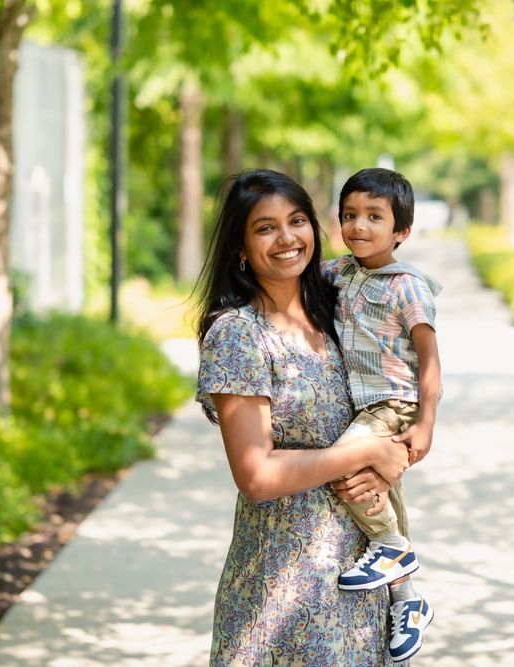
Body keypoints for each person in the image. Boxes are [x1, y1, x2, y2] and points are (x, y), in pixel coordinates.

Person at [195, 168, 412, 666]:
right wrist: (364, 454)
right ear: (240, 248)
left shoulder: (338, 313)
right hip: (282, 593)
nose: (287, 237)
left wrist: (394, 452)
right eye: (265, 227)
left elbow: (392, 402)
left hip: (360, 582)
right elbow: (256, 475)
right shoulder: (239, 334)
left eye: (297, 220)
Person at [322, 167, 442, 662]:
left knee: (343, 463)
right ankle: (408, 601)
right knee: (382, 490)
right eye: (350, 215)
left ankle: (391, 545)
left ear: (401, 232)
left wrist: (426, 420)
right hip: (364, 404)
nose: (359, 227)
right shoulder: (341, 273)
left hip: (394, 403)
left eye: (374, 217)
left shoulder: (407, 287)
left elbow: (430, 357)